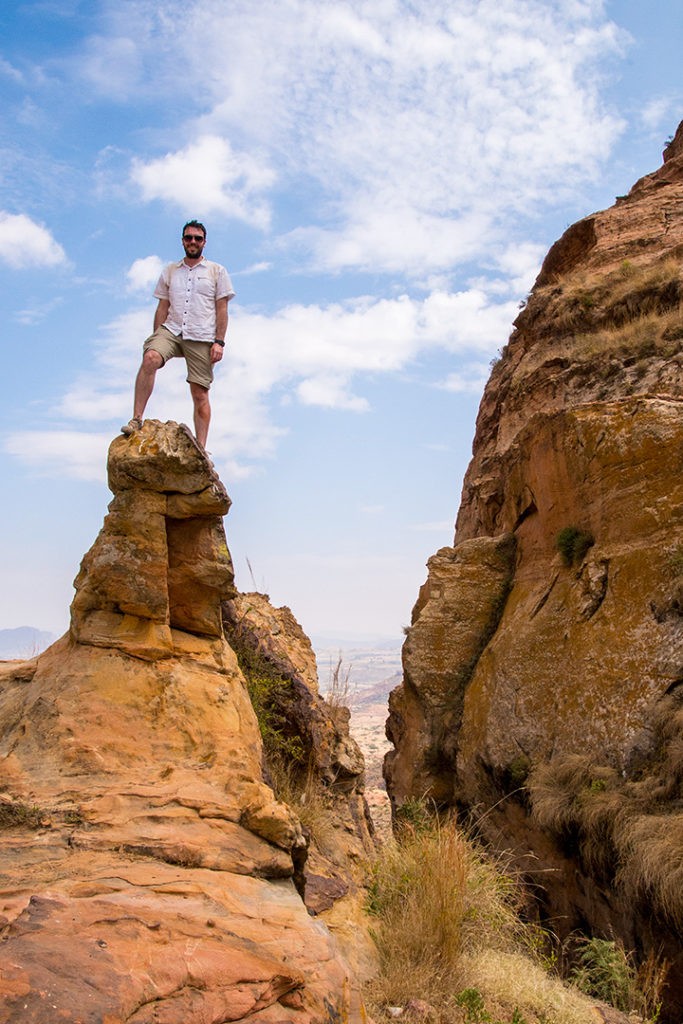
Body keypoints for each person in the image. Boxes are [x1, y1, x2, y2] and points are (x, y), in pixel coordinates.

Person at [121, 220, 235, 448]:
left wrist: (219, 342)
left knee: (200, 393)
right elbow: (162, 306)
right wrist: (157, 338)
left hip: (201, 334)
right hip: (172, 329)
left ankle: (201, 448)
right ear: (183, 241)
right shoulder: (170, 271)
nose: (193, 241)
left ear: (204, 242)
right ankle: (136, 419)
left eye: (197, 238)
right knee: (150, 358)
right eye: (189, 237)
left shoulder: (217, 271)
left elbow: (222, 309)